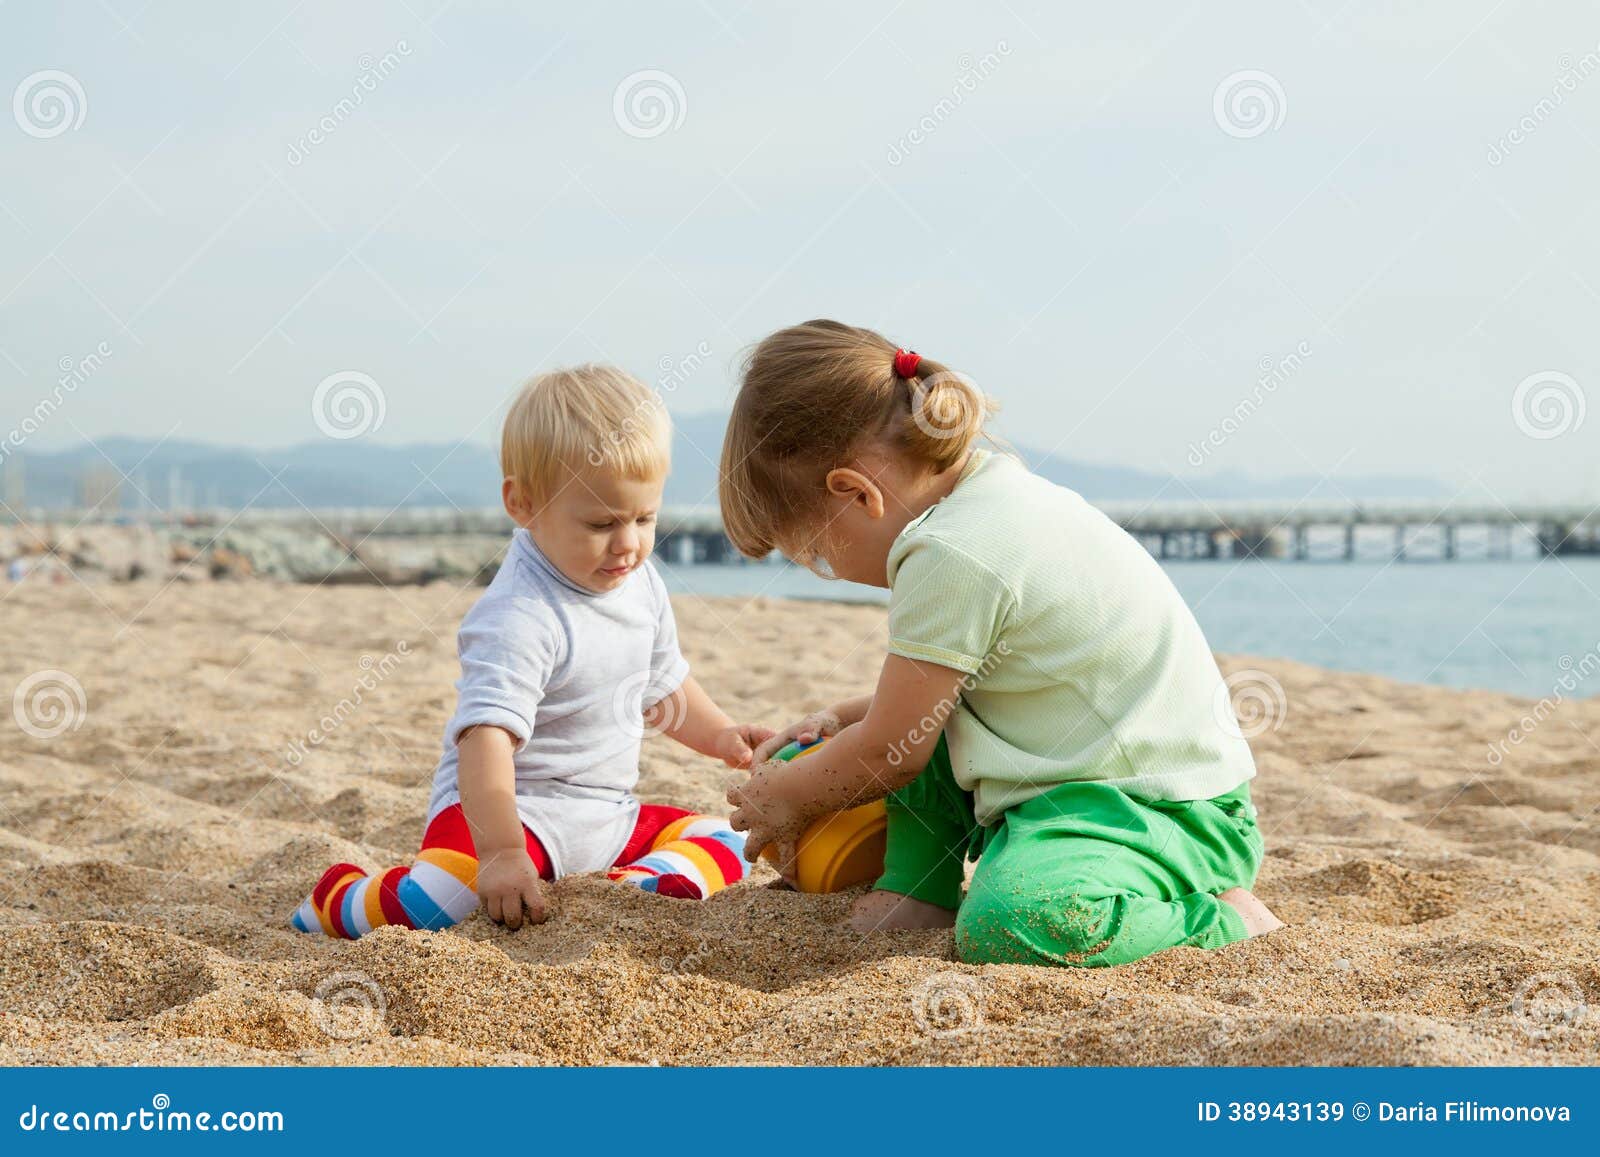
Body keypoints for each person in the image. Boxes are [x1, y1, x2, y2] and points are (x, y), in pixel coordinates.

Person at [721, 320, 1281, 967]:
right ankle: (919, 890)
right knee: (895, 729)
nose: (825, 567)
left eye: (816, 552)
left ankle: (1222, 918)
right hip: (1086, 775)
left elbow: (890, 752)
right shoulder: (986, 494)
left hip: (1153, 806)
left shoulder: (948, 553)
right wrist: (844, 718)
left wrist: (787, 796)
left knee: (1013, 922)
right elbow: (956, 687)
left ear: (855, 494)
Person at [293, 365, 772, 938]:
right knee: (435, 905)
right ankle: (338, 898)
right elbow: (485, 739)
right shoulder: (520, 613)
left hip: (605, 815)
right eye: (601, 524)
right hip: (507, 812)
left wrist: (722, 736)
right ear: (523, 504)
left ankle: (627, 886)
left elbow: (661, 685)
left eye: (645, 518)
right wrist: (499, 853)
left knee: (734, 841)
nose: (628, 544)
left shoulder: (640, 584)